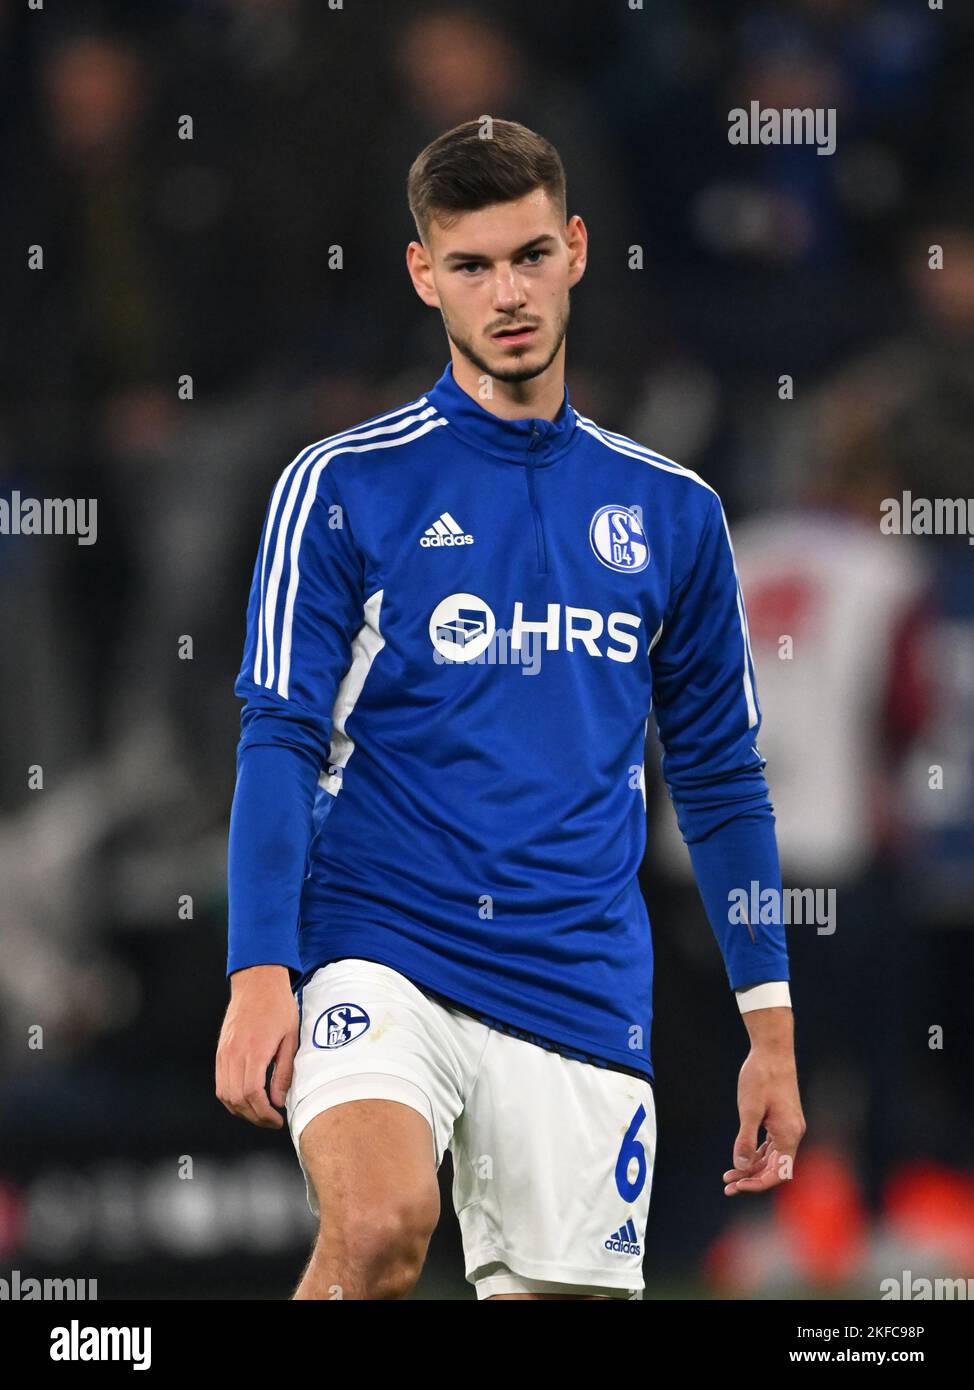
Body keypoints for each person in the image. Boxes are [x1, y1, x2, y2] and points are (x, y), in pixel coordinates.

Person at [215, 118, 804, 1301]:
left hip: (578, 974)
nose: (508, 293)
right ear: (423, 274)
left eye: (529, 255)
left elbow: (722, 777)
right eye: (472, 265)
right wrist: (256, 968)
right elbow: (279, 731)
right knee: (381, 1226)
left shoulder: (673, 513)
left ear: (577, 248)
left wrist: (769, 1023)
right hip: (381, 937)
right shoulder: (341, 484)